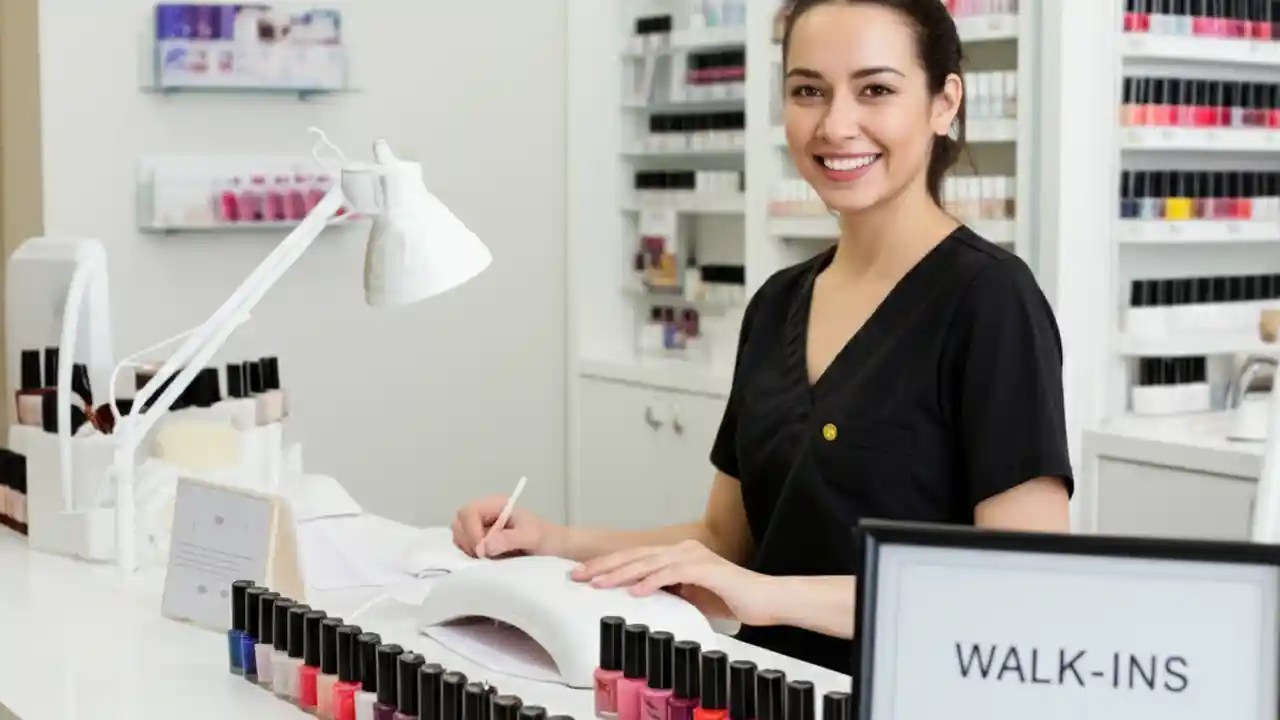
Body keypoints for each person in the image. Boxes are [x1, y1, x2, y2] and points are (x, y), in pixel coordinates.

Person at [452, 0, 1073, 675]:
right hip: (763, 685)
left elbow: (1020, 589)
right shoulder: (779, 303)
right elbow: (727, 540)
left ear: (943, 102)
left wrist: (770, 597)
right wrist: (553, 540)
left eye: (876, 90)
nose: (836, 125)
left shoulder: (990, 302)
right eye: (809, 90)